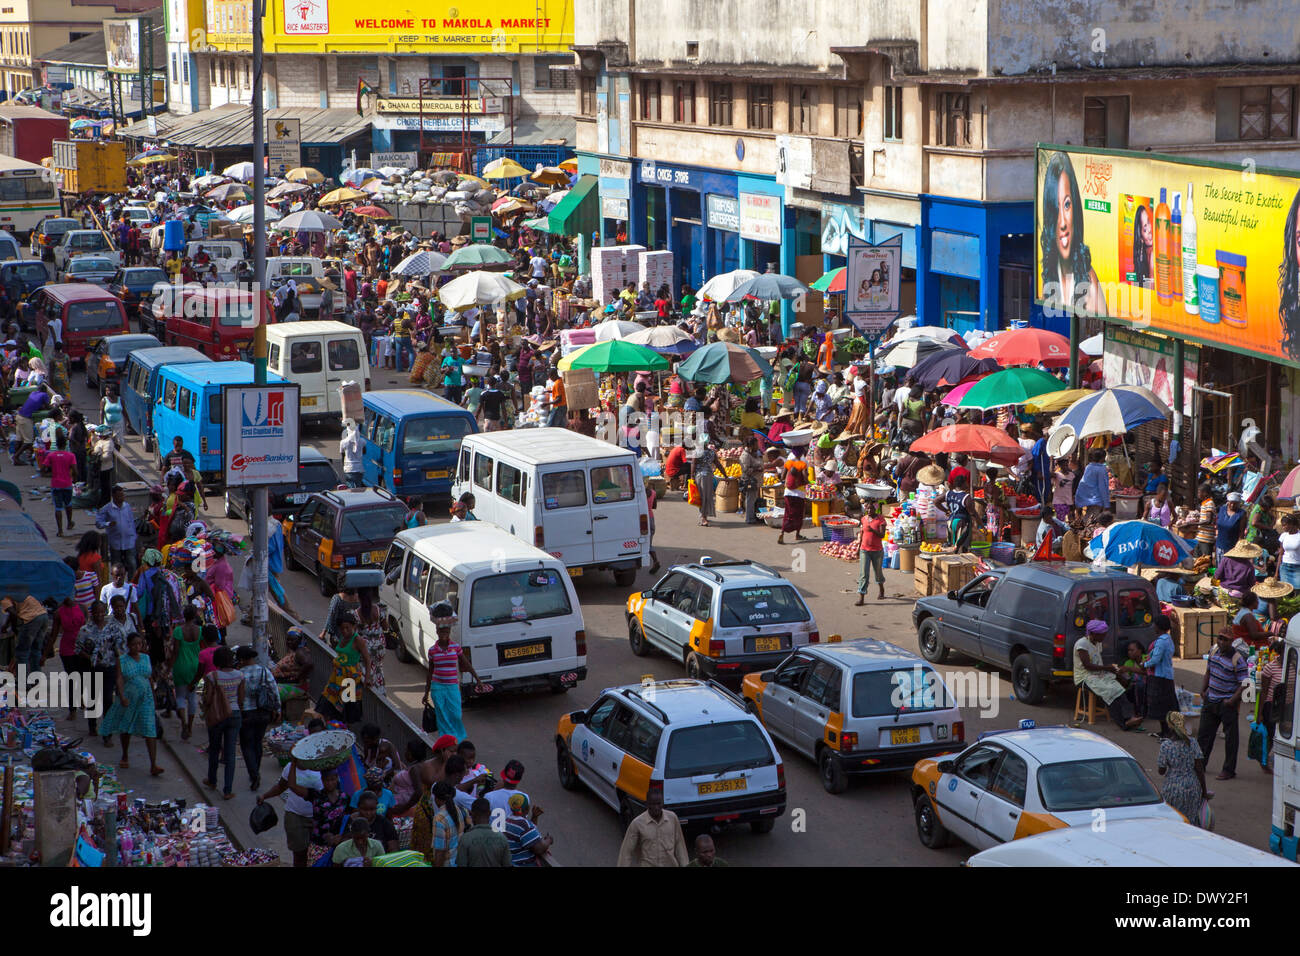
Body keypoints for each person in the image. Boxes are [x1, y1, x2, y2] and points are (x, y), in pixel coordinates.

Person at [1040, 150, 1107, 315]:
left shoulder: (1088, 281)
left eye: (1067, 205)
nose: (1062, 222)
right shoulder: (1048, 276)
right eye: (1056, 209)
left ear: (1076, 209)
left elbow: (1101, 335)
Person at [98, 633, 163, 775]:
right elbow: (120, 678)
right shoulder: (122, 660)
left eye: (139, 644)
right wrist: (121, 696)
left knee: (149, 729)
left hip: (146, 698)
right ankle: (125, 755)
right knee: (126, 727)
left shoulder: (146, 658)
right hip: (129, 697)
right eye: (134, 644)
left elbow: (150, 678)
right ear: (128, 645)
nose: (137, 647)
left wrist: (154, 696)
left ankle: (153, 764)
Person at [422, 601, 483, 742]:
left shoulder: (455, 648)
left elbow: (466, 664)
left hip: (452, 687)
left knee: (456, 715)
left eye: (447, 632)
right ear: (437, 632)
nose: (444, 634)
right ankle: (446, 743)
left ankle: (458, 740)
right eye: (442, 632)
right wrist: (426, 693)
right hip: (438, 688)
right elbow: (430, 672)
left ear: (449, 632)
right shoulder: (432, 651)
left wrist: (478, 680)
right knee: (442, 716)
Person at [1073, 618, 1144, 730]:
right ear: (1092, 633)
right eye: (1102, 635)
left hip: (1097, 674)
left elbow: (1097, 662)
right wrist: (1108, 668)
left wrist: (1111, 669)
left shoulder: (1097, 643)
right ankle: (1123, 723)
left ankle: (1129, 717)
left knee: (1118, 688)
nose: (1104, 637)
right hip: (1085, 677)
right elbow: (1088, 666)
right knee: (1110, 691)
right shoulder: (1082, 644)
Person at [1198, 627, 1249, 781]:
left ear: (1231, 641)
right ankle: (1200, 765)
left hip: (1226, 704)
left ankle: (1228, 770)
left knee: (1230, 739)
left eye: (1225, 639)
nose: (1221, 641)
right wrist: (1203, 690)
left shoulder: (1237, 659)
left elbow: (1244, 683)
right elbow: (1208, 672)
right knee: (1204, 736)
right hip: (1211, 700)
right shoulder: (1213, 652)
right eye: (1220, 638)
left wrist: (1231, 700)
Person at [202, 645, 245, 799]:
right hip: (234, 715)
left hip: (216, 716)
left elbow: (207, 699)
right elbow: (241, 700)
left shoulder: (212, 676)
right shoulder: (240, 676)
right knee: (230, 752)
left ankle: (212, 780)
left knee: (214, 748)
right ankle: (228, 790)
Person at [236, 644, 280, 791]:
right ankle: (256, 769)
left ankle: (254, 773)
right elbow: (274, 690)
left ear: (242, 660)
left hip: (246, 714)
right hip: (263, 713)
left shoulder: (239, 674)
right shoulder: (264, 671)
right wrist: (277, 709)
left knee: (246, 744)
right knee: (257, 742)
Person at [317, 611, 370, 725]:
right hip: (337, 677)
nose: (345, 631)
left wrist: (368, 678)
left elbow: (367, 659)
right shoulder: (343, 638)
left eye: (348, 628)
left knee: (346, 710)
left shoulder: (357, 640)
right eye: (342, 628)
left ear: (354, 626)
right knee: (327, 702)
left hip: (350, 680)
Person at [1157, 710, 1209, 825]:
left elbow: (1161, 771)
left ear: (1169, 726)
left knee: (1173, 822)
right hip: (1192, 787)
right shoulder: (1193, 742)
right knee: (1190, 822)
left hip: (1172, 788)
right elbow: (1199, 769)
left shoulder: (1166, 746)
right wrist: (1204, 792)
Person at [617, 787, 688, 867]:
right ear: (647, 804)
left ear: (663, 803)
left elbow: (680, 846)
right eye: (653, 804)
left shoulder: (672, 818)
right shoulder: (637, 824)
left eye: (659, 804)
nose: (656, 808)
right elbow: (626, 852)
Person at [167, 605, 202, 741]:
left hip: (181, 665)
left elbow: (175, 651)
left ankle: (184, 724)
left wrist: (169, 666)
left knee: (180, 697)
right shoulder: (199, 630)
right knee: (192, 697)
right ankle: (191, 726)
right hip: (195, 665)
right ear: (194, 616)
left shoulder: (178, 631)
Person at [1143, 614, 1178, 736]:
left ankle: (1167, 732)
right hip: (1166, 675)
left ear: (1159, 627)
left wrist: (1144, 664)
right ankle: (1165, 731)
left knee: (1161, 705)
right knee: (1166, 705)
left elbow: (1155, 659)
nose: (1153, 627)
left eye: (1155, 625)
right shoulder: (1168, 639)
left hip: (1160, 676)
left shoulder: (1161, 642)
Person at [94, 484, 138, 573]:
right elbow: (98, 523)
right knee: (116, 566)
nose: (122, 497)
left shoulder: (127, 507)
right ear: (113, 496)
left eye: (123, 495)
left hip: (128, 541)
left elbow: (131, 522)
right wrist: (108, 523)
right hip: (115, 542)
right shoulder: (107, 509)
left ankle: (132, 584)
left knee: (132, 565)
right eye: (119, 496)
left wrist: (134, 537)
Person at [456, 797, 511, 867]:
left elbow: (461, 864)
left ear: (472, 814)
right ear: (490, 813)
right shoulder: (502, 838)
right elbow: (507, 864)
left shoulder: (465, 839)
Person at [504, 792, 551, 866]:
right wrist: (549, 840)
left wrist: (534, 817)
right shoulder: (523, 824)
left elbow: (527, 836)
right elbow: (539, 849)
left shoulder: (508, 820)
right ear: (527, 808)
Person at [46, 430, 78, 537]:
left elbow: (45, 467)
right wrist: (74, 479)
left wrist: (53, 470)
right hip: (67, 483)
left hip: (56, 484)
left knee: (58, 507)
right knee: (68, 504)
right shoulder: (71, 456)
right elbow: (75, 470)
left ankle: (60, 530)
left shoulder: (51, 455)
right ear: (65, 445)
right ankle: (69, 523)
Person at [855, 500, 886, 604]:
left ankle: (881, 588)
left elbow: (882, 535)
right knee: (864, 574)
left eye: (871, 508)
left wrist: (873, 530)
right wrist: (858, 548)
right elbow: (862, 534)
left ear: (875, 509)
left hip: (877, 551)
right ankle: (861, 596)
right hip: (864, 550)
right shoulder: (863, 519)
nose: (869, 510)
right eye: (867, 508)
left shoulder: (880, 519)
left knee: (878, 573)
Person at [1074, 449, 1110, 517]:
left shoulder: (1088, 467)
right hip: (1096, 499)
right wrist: (1106, 504)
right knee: (1092, 520)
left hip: (1085, 497)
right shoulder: (1101, 469)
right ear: (1101, 458)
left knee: (1088, 517)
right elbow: (1103, 487)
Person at [1216, 492, 1247, 564]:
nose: (1232, 505)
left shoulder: (1241, 514)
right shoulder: (1222, 510)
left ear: (1239, 504)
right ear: (1228, 502)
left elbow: (1241, 532)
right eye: (1231, 503)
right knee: (1220, 566)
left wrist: (1238, 547)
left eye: (1235, 503)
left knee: (1230, 567)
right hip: (1220, 544)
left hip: (1232, 546)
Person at [340, 419, 365, 488]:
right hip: (359, 468)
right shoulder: (362, 441)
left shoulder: (343, 442)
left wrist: (344, 466)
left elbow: (342, 455)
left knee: (350, 487)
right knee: (358, 486)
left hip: (349, 469)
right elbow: (364, 451)